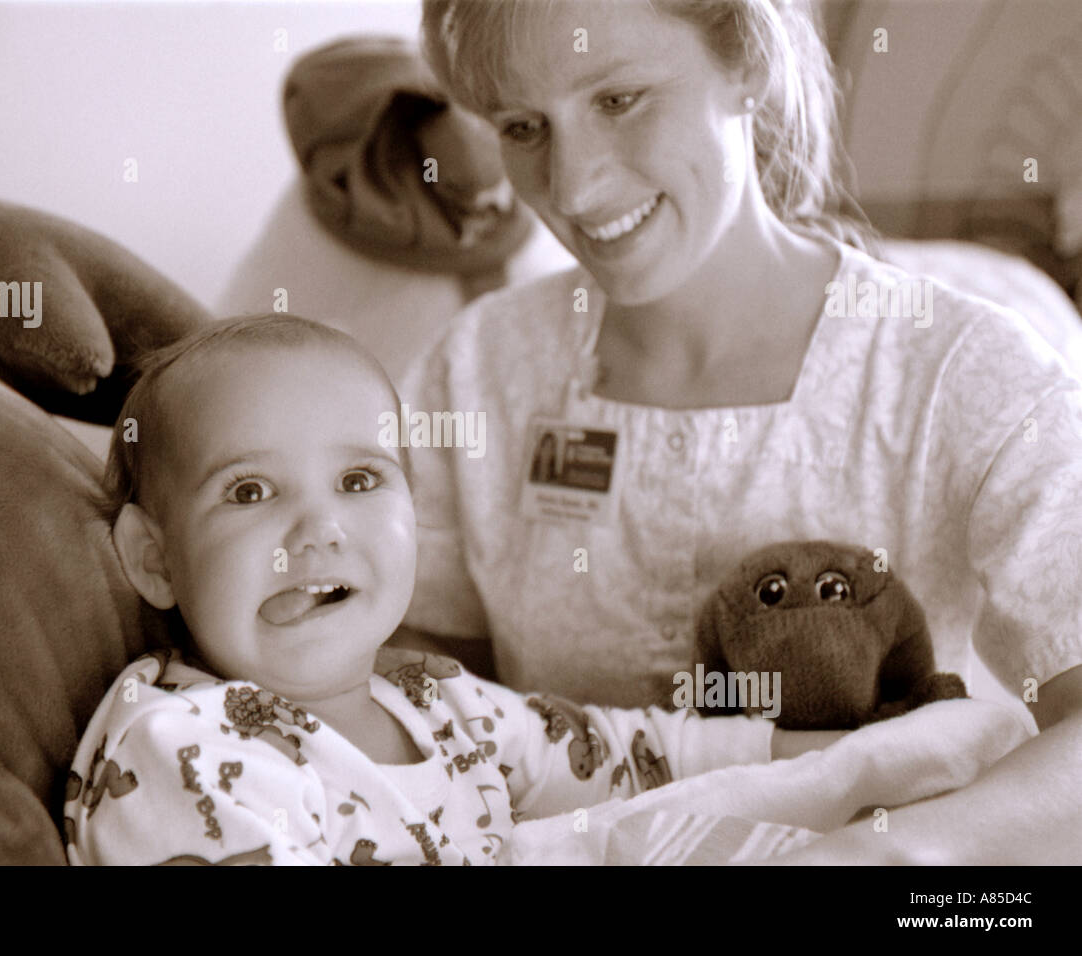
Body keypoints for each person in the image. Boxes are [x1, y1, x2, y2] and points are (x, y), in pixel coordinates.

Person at [396, 0, 1082, 862]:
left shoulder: (964, 370)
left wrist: (888, 856)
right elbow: (419, 708)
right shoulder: (475, 371)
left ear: (748, 62)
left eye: (619, 100)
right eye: (525, 127)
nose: (573, 187)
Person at [63, 316, 838, 866]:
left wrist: (834, 757)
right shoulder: (184, 746)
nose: (318, 530)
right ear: (154, 560)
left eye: (359, 479)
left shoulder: (437, 698)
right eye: (250, 491)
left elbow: (633, 757)